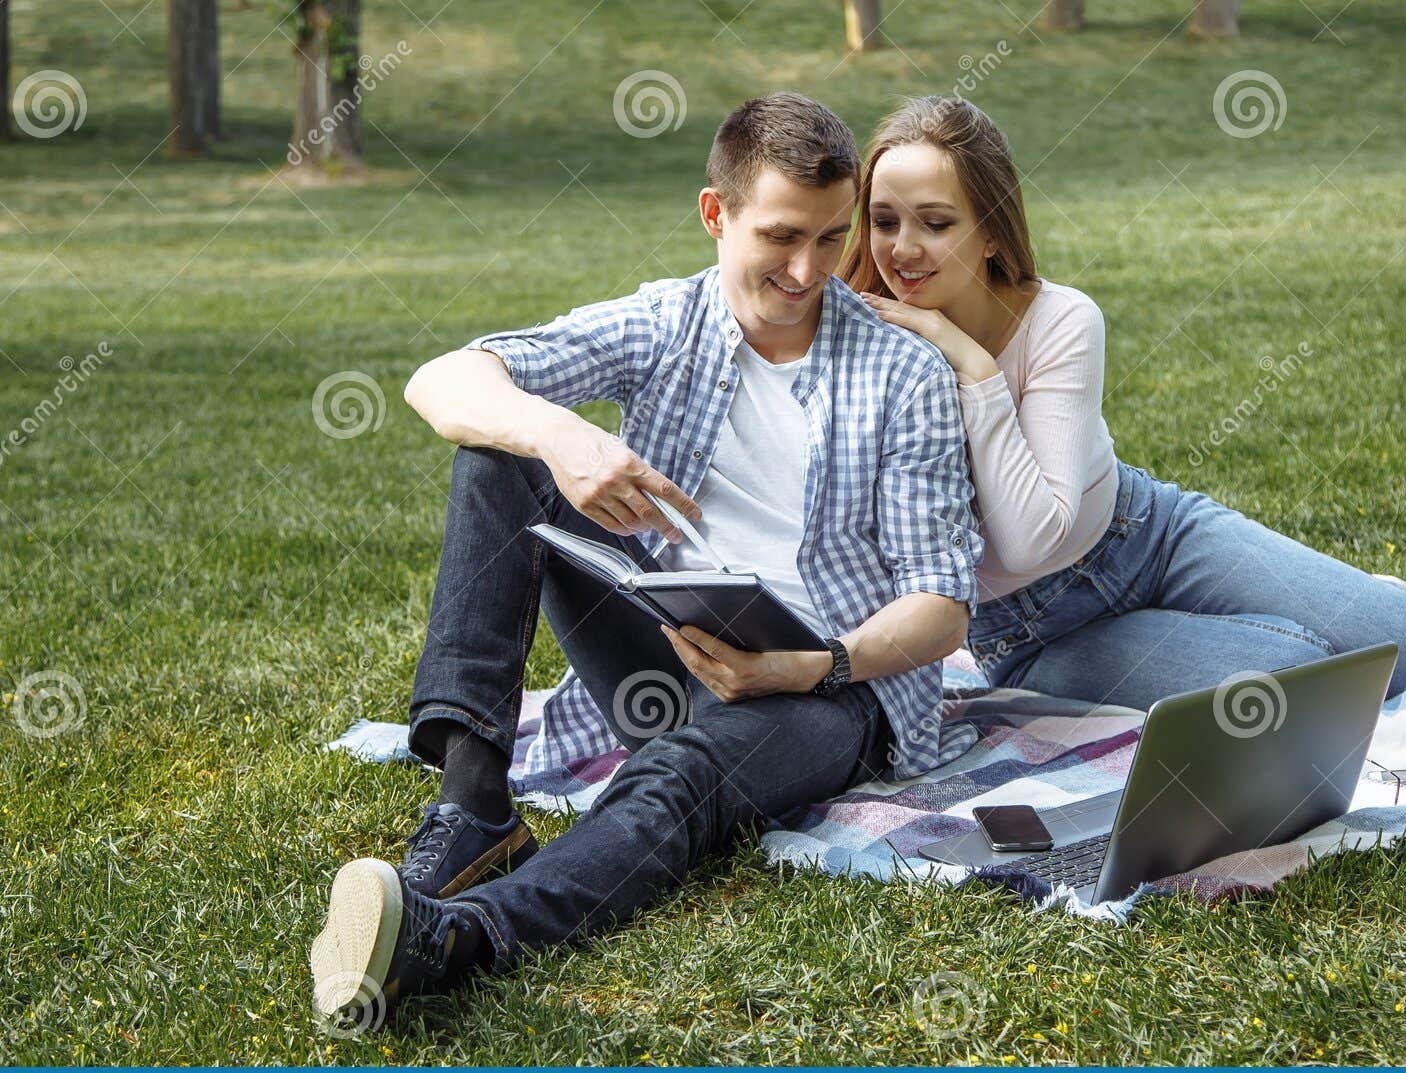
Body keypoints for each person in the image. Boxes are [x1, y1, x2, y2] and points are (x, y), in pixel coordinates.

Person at [309, 93, 985, 1024]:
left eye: (832, 241)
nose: (808, 270)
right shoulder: (664, 322)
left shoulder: (903, 373)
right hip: (669, 644)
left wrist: (812, 662)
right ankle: (473, 807)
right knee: (504, 449)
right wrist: (560, 436)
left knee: (678, 777)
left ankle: (463, 937)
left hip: (829, 689)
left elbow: (943, 606)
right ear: (716, 215)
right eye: (782, 237)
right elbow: (444, 379)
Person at [843, 96, 1406, 710]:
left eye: (936, 222)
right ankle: (1245, 637)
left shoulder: (1061, 318)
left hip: (1147, 535)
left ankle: (1293, 611)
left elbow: (1055, 517)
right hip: (1037, 633)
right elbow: (1030, 545)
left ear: (991, 234)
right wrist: (976, 372)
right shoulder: (878, 359)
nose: (902, 249)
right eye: (885, 221)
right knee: (1302, 682)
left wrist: (972, 360)